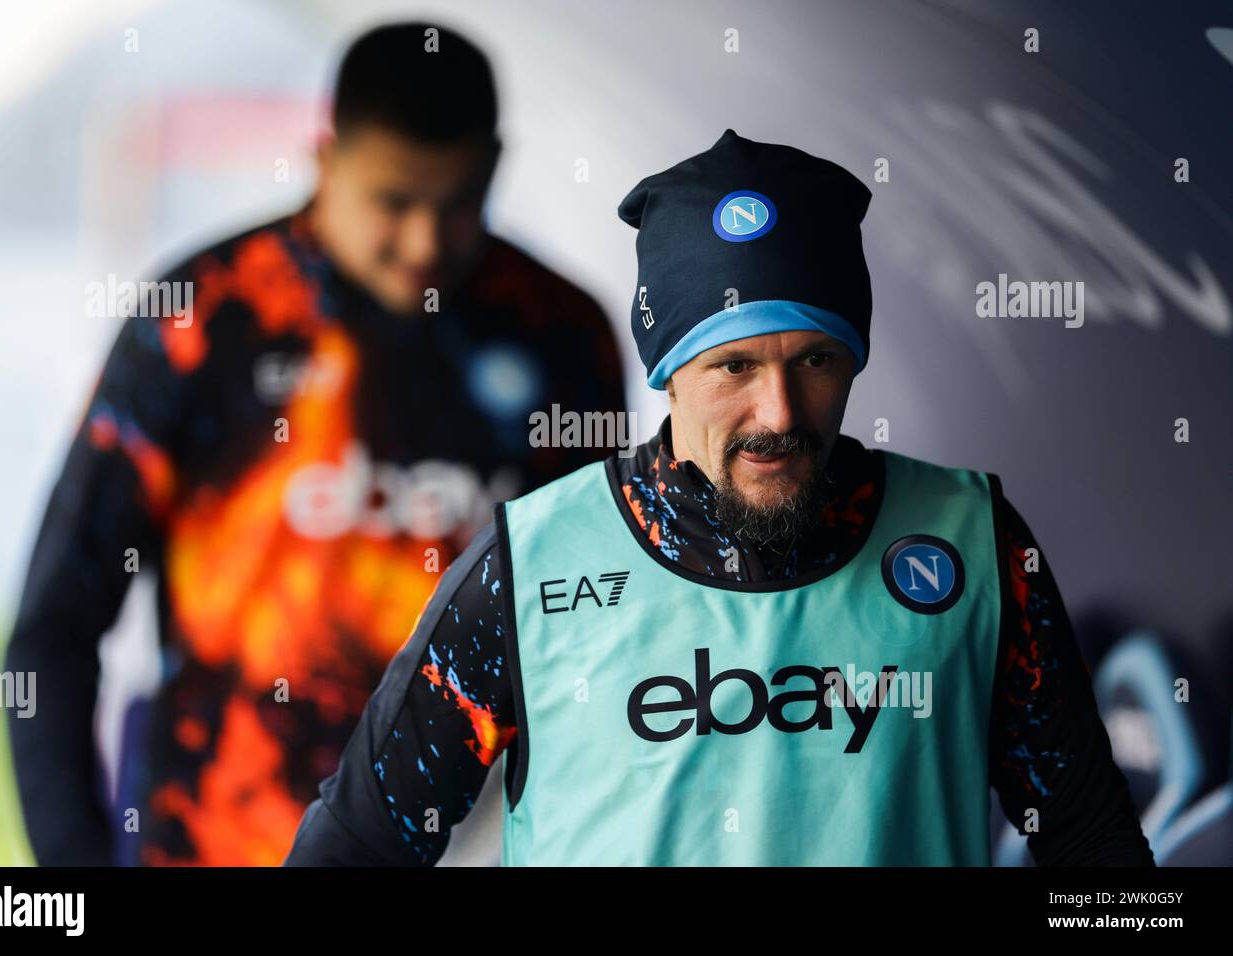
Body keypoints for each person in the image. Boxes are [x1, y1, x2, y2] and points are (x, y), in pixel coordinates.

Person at [284, 128, 1154, 866]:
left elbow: (1101, 862)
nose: (777, 414)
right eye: (733, 366)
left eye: (815, 359)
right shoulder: (532, 565)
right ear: (666, 375)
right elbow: (356, 847)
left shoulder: (971, 545)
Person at [4, 21, 626, 866]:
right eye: (393, 202)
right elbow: (54, 630)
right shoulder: (201, 319)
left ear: (494, 166)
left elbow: (601, 625)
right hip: (217, 838)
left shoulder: (564, 338)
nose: (424, 243)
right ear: (325, 159)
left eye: (458, 204)